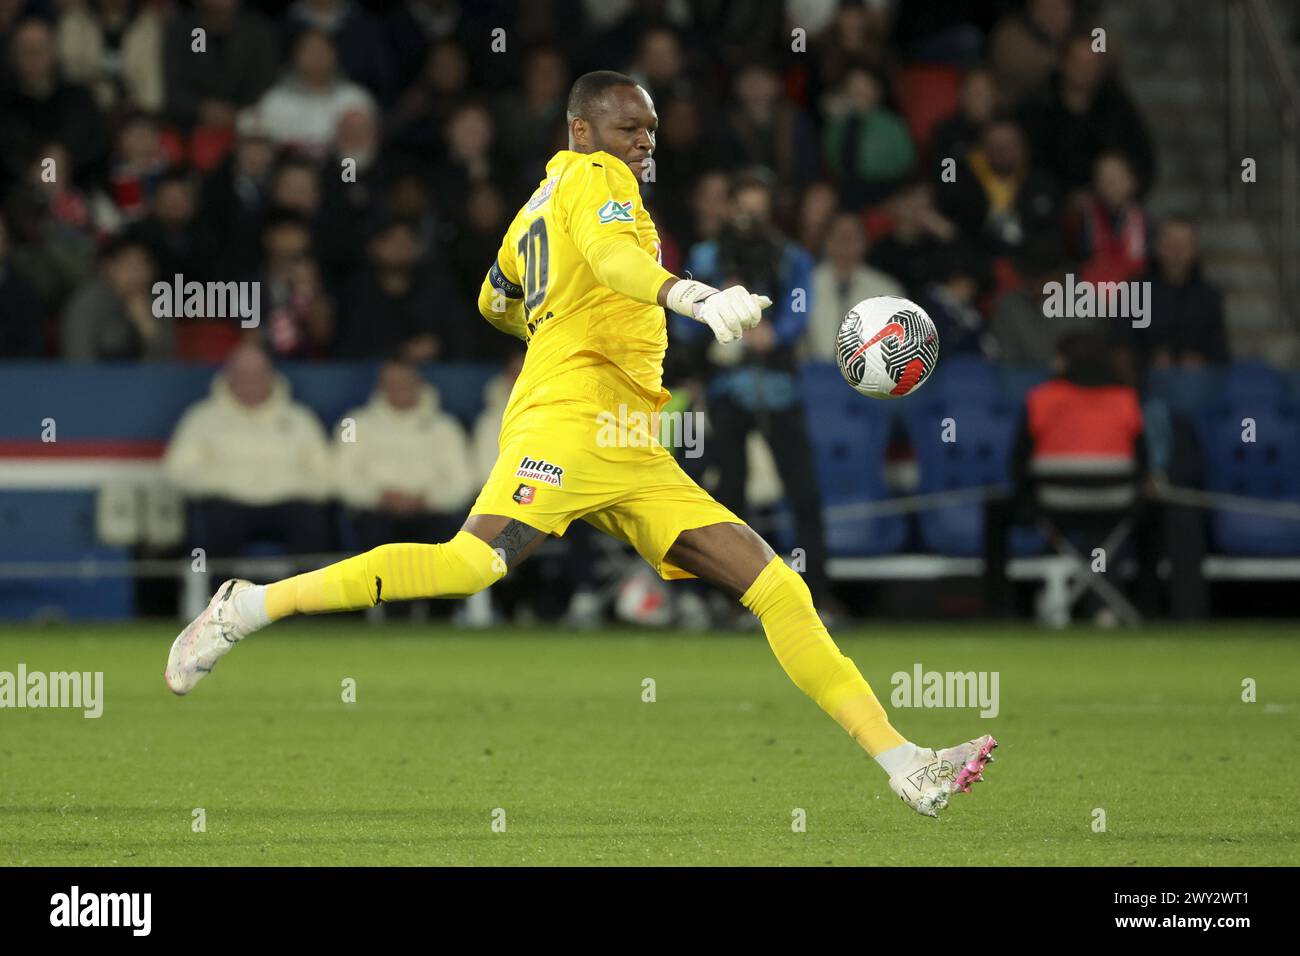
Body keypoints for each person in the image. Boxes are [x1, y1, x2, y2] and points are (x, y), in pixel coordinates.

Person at [164, 71, 996, 819]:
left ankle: (904, 764)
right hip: (569, 419)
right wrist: (691, 295)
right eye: (629, 126)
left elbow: (496, 301)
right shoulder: (595, 181)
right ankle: (247, 607)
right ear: (581, 131)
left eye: (651, 132)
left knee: (776, 588)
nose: (644, 143)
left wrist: (554, 312)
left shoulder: (536, 205)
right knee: (470, 566)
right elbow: (611, 258)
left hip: (631, 437)